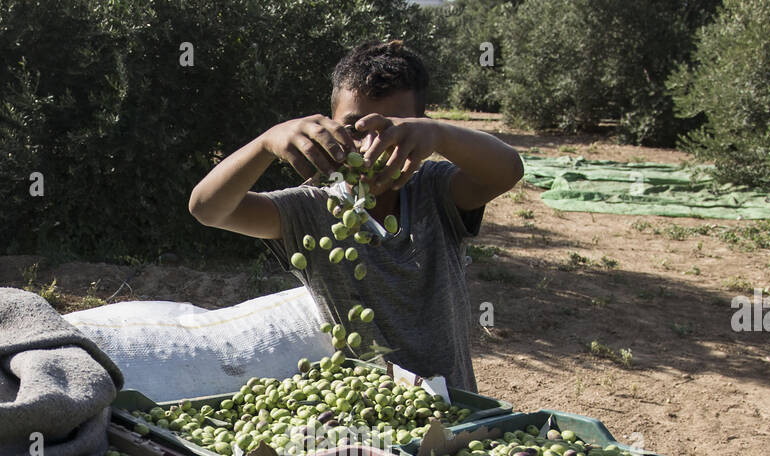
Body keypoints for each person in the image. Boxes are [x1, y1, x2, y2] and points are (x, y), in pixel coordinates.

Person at [188, 40, 523, 392]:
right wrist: (267, 143)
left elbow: (508, 170)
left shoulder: (436, 193)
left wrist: (440, 133)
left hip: (455, 406)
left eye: (389, 131)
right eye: (353, 130)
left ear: (417, 132)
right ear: (328, 124)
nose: (368, 148)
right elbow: (207, 209)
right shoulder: (311, 209)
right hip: (367, 412)